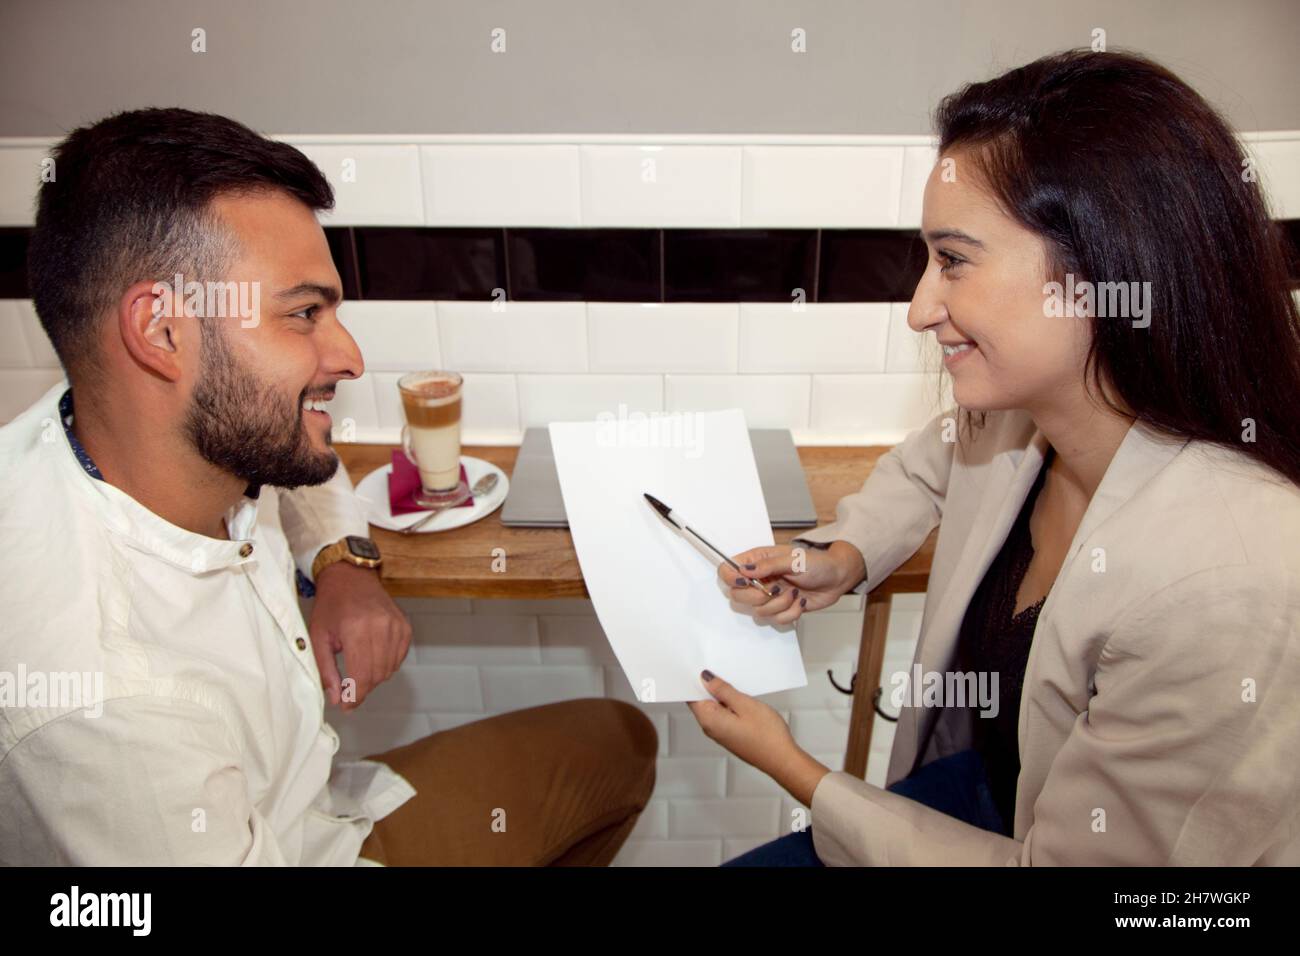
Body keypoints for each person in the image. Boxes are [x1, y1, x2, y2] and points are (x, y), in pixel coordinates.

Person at [690, 49, 1300, 866]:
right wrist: (842, 556)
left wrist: (799, 772)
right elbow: (934, 462)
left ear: (1098, 272)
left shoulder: (1227, 585)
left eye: (954, 260)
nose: (919, 308)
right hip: (1000, 789)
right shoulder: (1034, 415)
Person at [0, 107, 656, 865]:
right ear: (162, 331)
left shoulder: (131, 429)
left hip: (317, 812)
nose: (349, 357)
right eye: (304, 313)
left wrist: (343, 562)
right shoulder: (108, 706)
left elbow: (299, 454)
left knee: (620, 742)